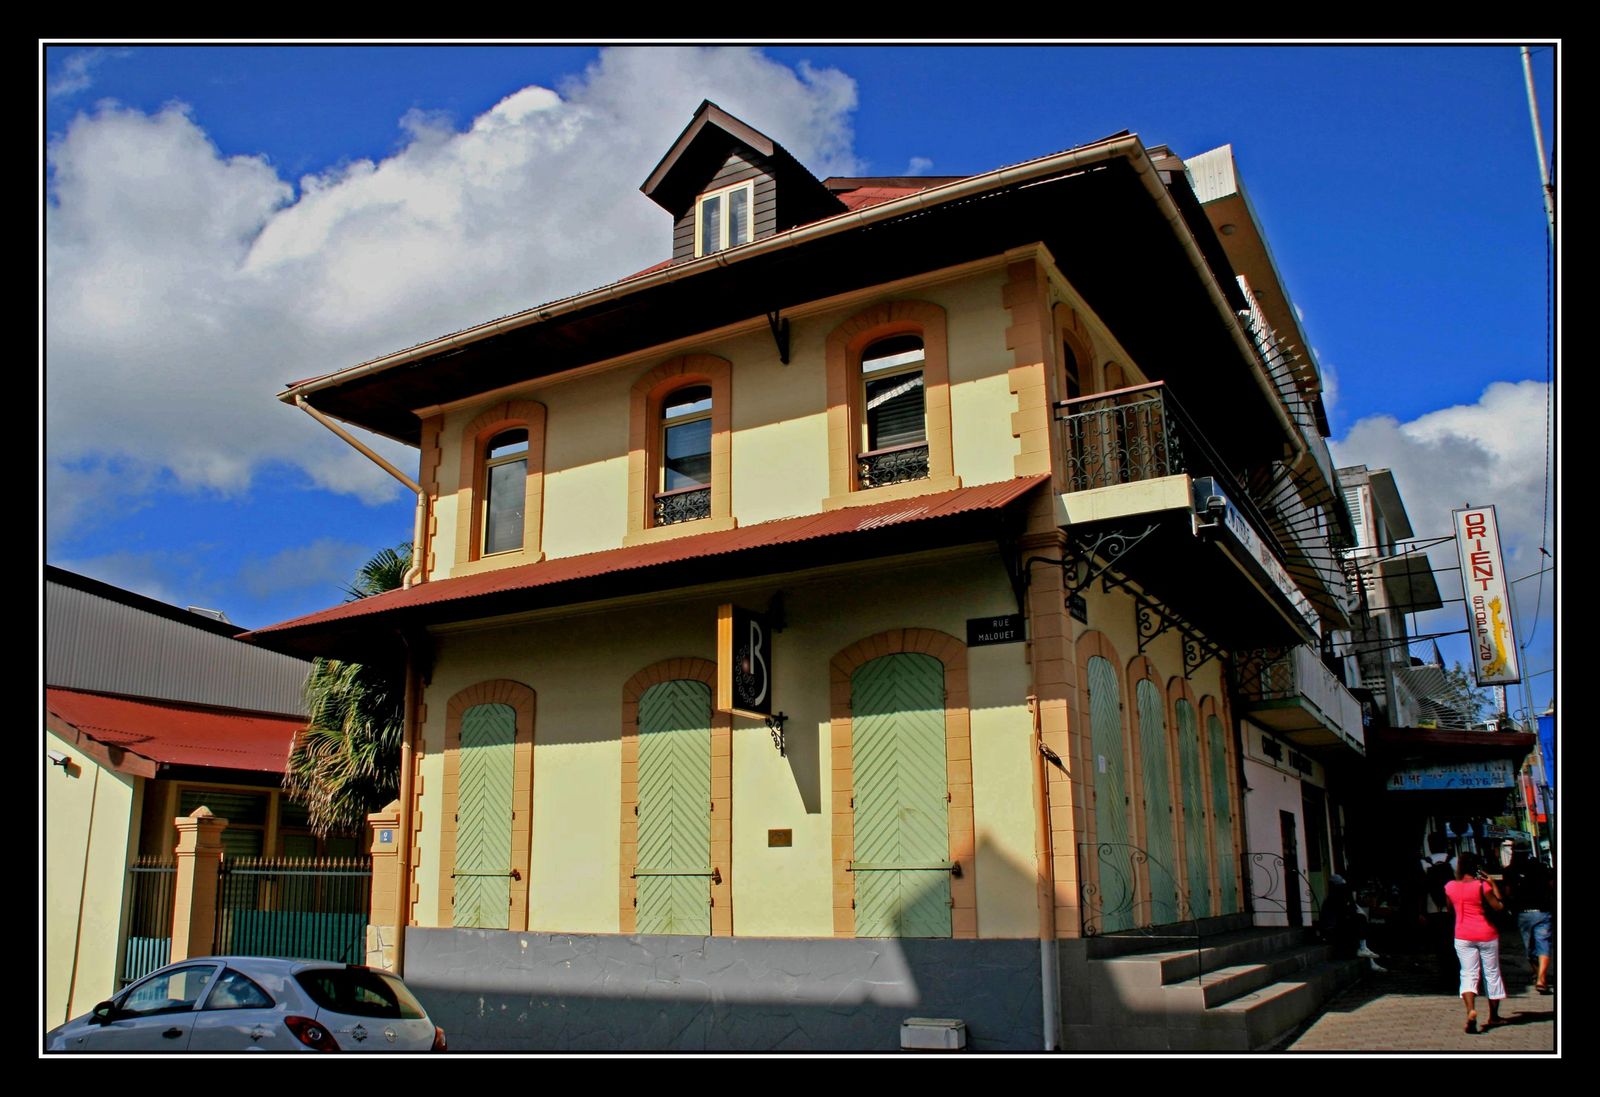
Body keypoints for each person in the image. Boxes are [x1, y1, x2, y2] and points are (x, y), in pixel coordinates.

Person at [1444, 851, 1507, 1033]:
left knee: (1468, 973)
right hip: (1486, 933)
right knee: (1492, 973)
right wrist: (1494, 886)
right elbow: (1498, 907)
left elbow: (1449, 909)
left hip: (1462, 934)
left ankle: (1471, 1010)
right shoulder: (1482, 886)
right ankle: (1494, 1016)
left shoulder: (1450, 886)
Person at [1504, 852, 1554, 994]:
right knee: (1543, 944)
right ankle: (1541, 977)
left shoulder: (1510, 871)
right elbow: (1552, 886)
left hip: (1523, 913)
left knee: (1530, 947)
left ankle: (1540, 976)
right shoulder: (1541, 867)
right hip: (1542, 911)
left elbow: (1508, 893)